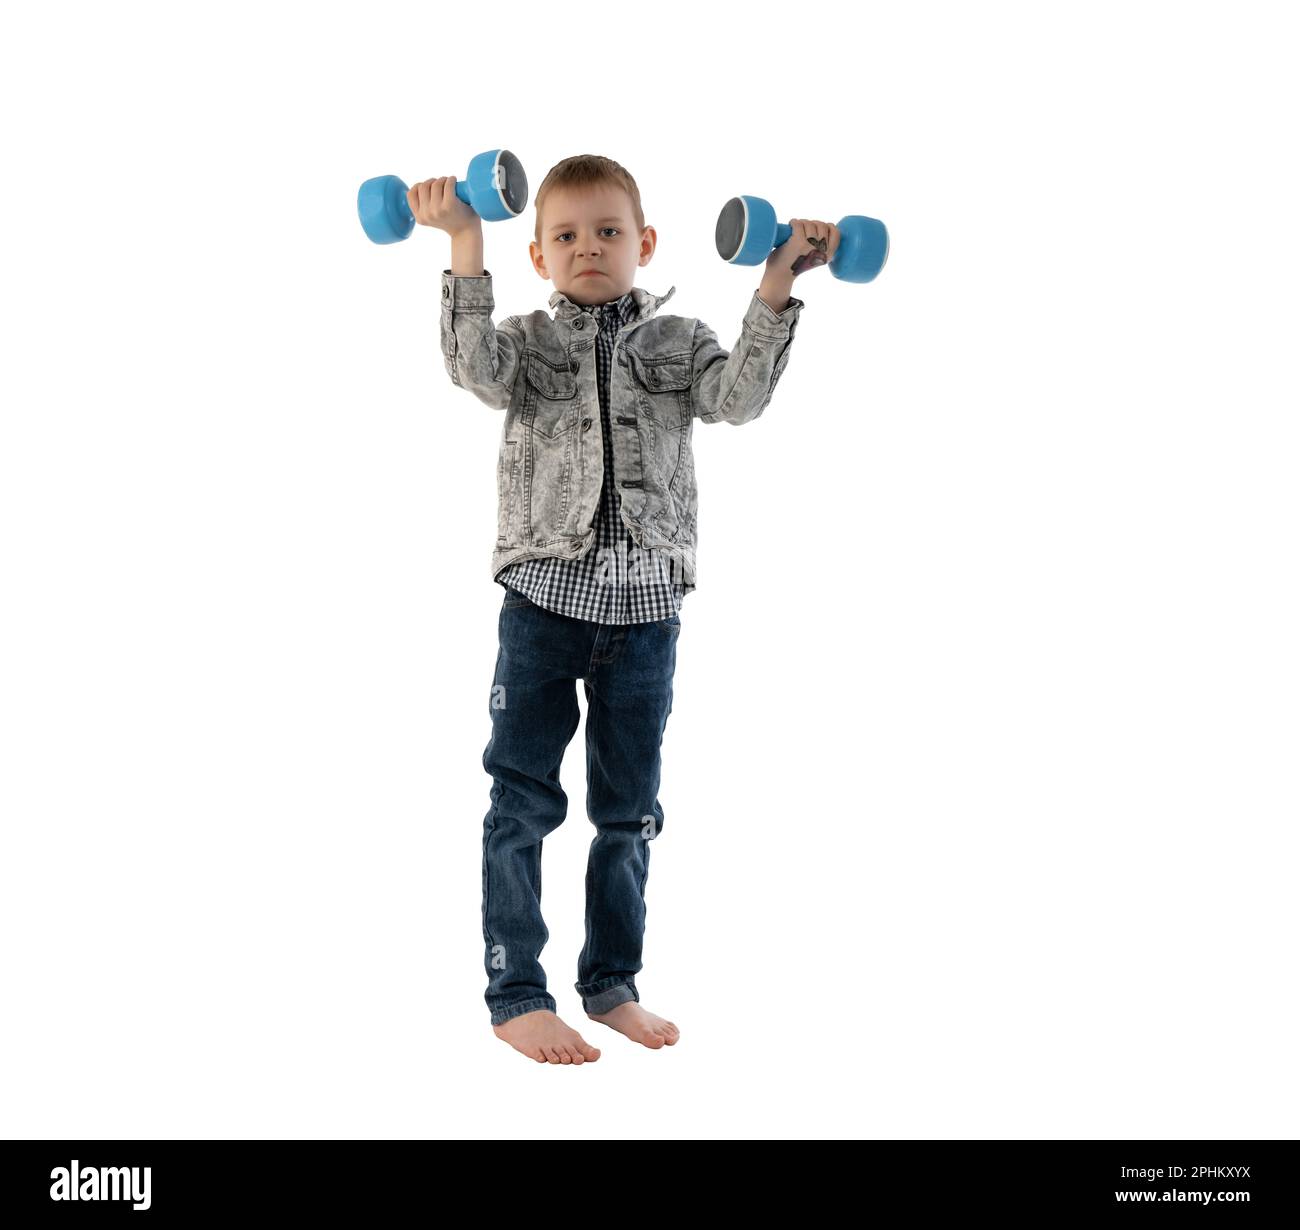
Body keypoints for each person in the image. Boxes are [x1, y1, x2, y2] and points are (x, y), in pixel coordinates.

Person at [411, 153, 836, 1064]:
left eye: (608, 231)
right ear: (538, 255)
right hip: (544, 604)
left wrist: (777, 281)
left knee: (630, 812)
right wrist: (463, 239)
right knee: (521, 801)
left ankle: (610, 985)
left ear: (644, 243)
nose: (588, 248)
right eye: (566, 236)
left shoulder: (679, 340)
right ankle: (516, 994)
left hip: (645, 612)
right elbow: (472, 370)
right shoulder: (527, 341)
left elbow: (737, 399)